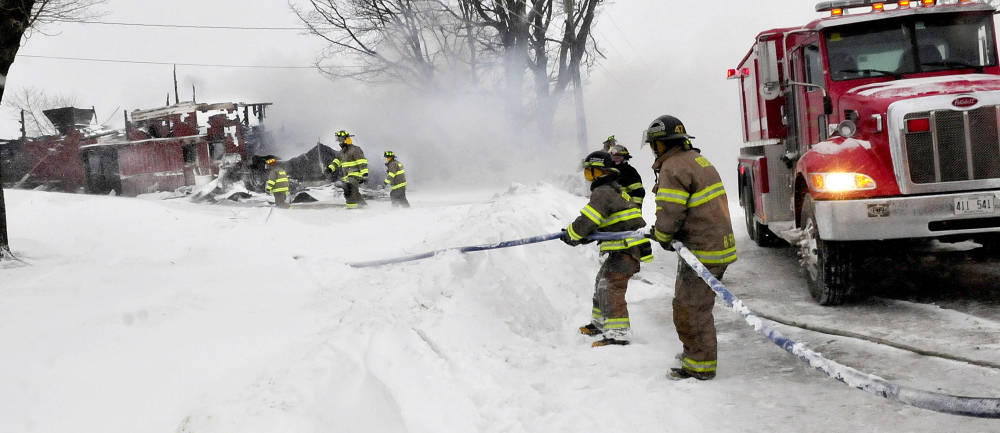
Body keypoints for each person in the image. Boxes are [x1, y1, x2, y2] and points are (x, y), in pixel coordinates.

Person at [645, 115, 737, 380]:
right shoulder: (696, 159)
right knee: (695, 305)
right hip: (714, 244)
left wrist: (662, 235)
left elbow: (671, 211)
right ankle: (697, 352)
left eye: (655, 144)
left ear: (661, 144)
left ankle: (699, 365)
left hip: (702, 249)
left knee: (689, 308)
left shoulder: (673, 167)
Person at [561, 151, 654, 348]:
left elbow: (589, 220)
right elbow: (604, 223)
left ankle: (618, 334)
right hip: (624, 248)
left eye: (589, 173)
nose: (587, 178)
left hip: (626, 249)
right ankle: (600, 323)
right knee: (601, 282)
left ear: (600, 172)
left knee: (611, 287)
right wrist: (585, 236)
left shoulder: (603, 192)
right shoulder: (613, 189)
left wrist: (571, 235)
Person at [327, 130, 369, 209]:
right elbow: (337, 162)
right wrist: (330, 168)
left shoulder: (355, 149)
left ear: (346, 139)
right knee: (354, 192)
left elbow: (362, 162)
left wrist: (365, 174)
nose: (339, 142)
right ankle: (363, 207)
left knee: (348, 188)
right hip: (348, 176)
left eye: (340, 139)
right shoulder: (342, 152)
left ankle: (351, 209)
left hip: (356, 175)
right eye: (338, 140)